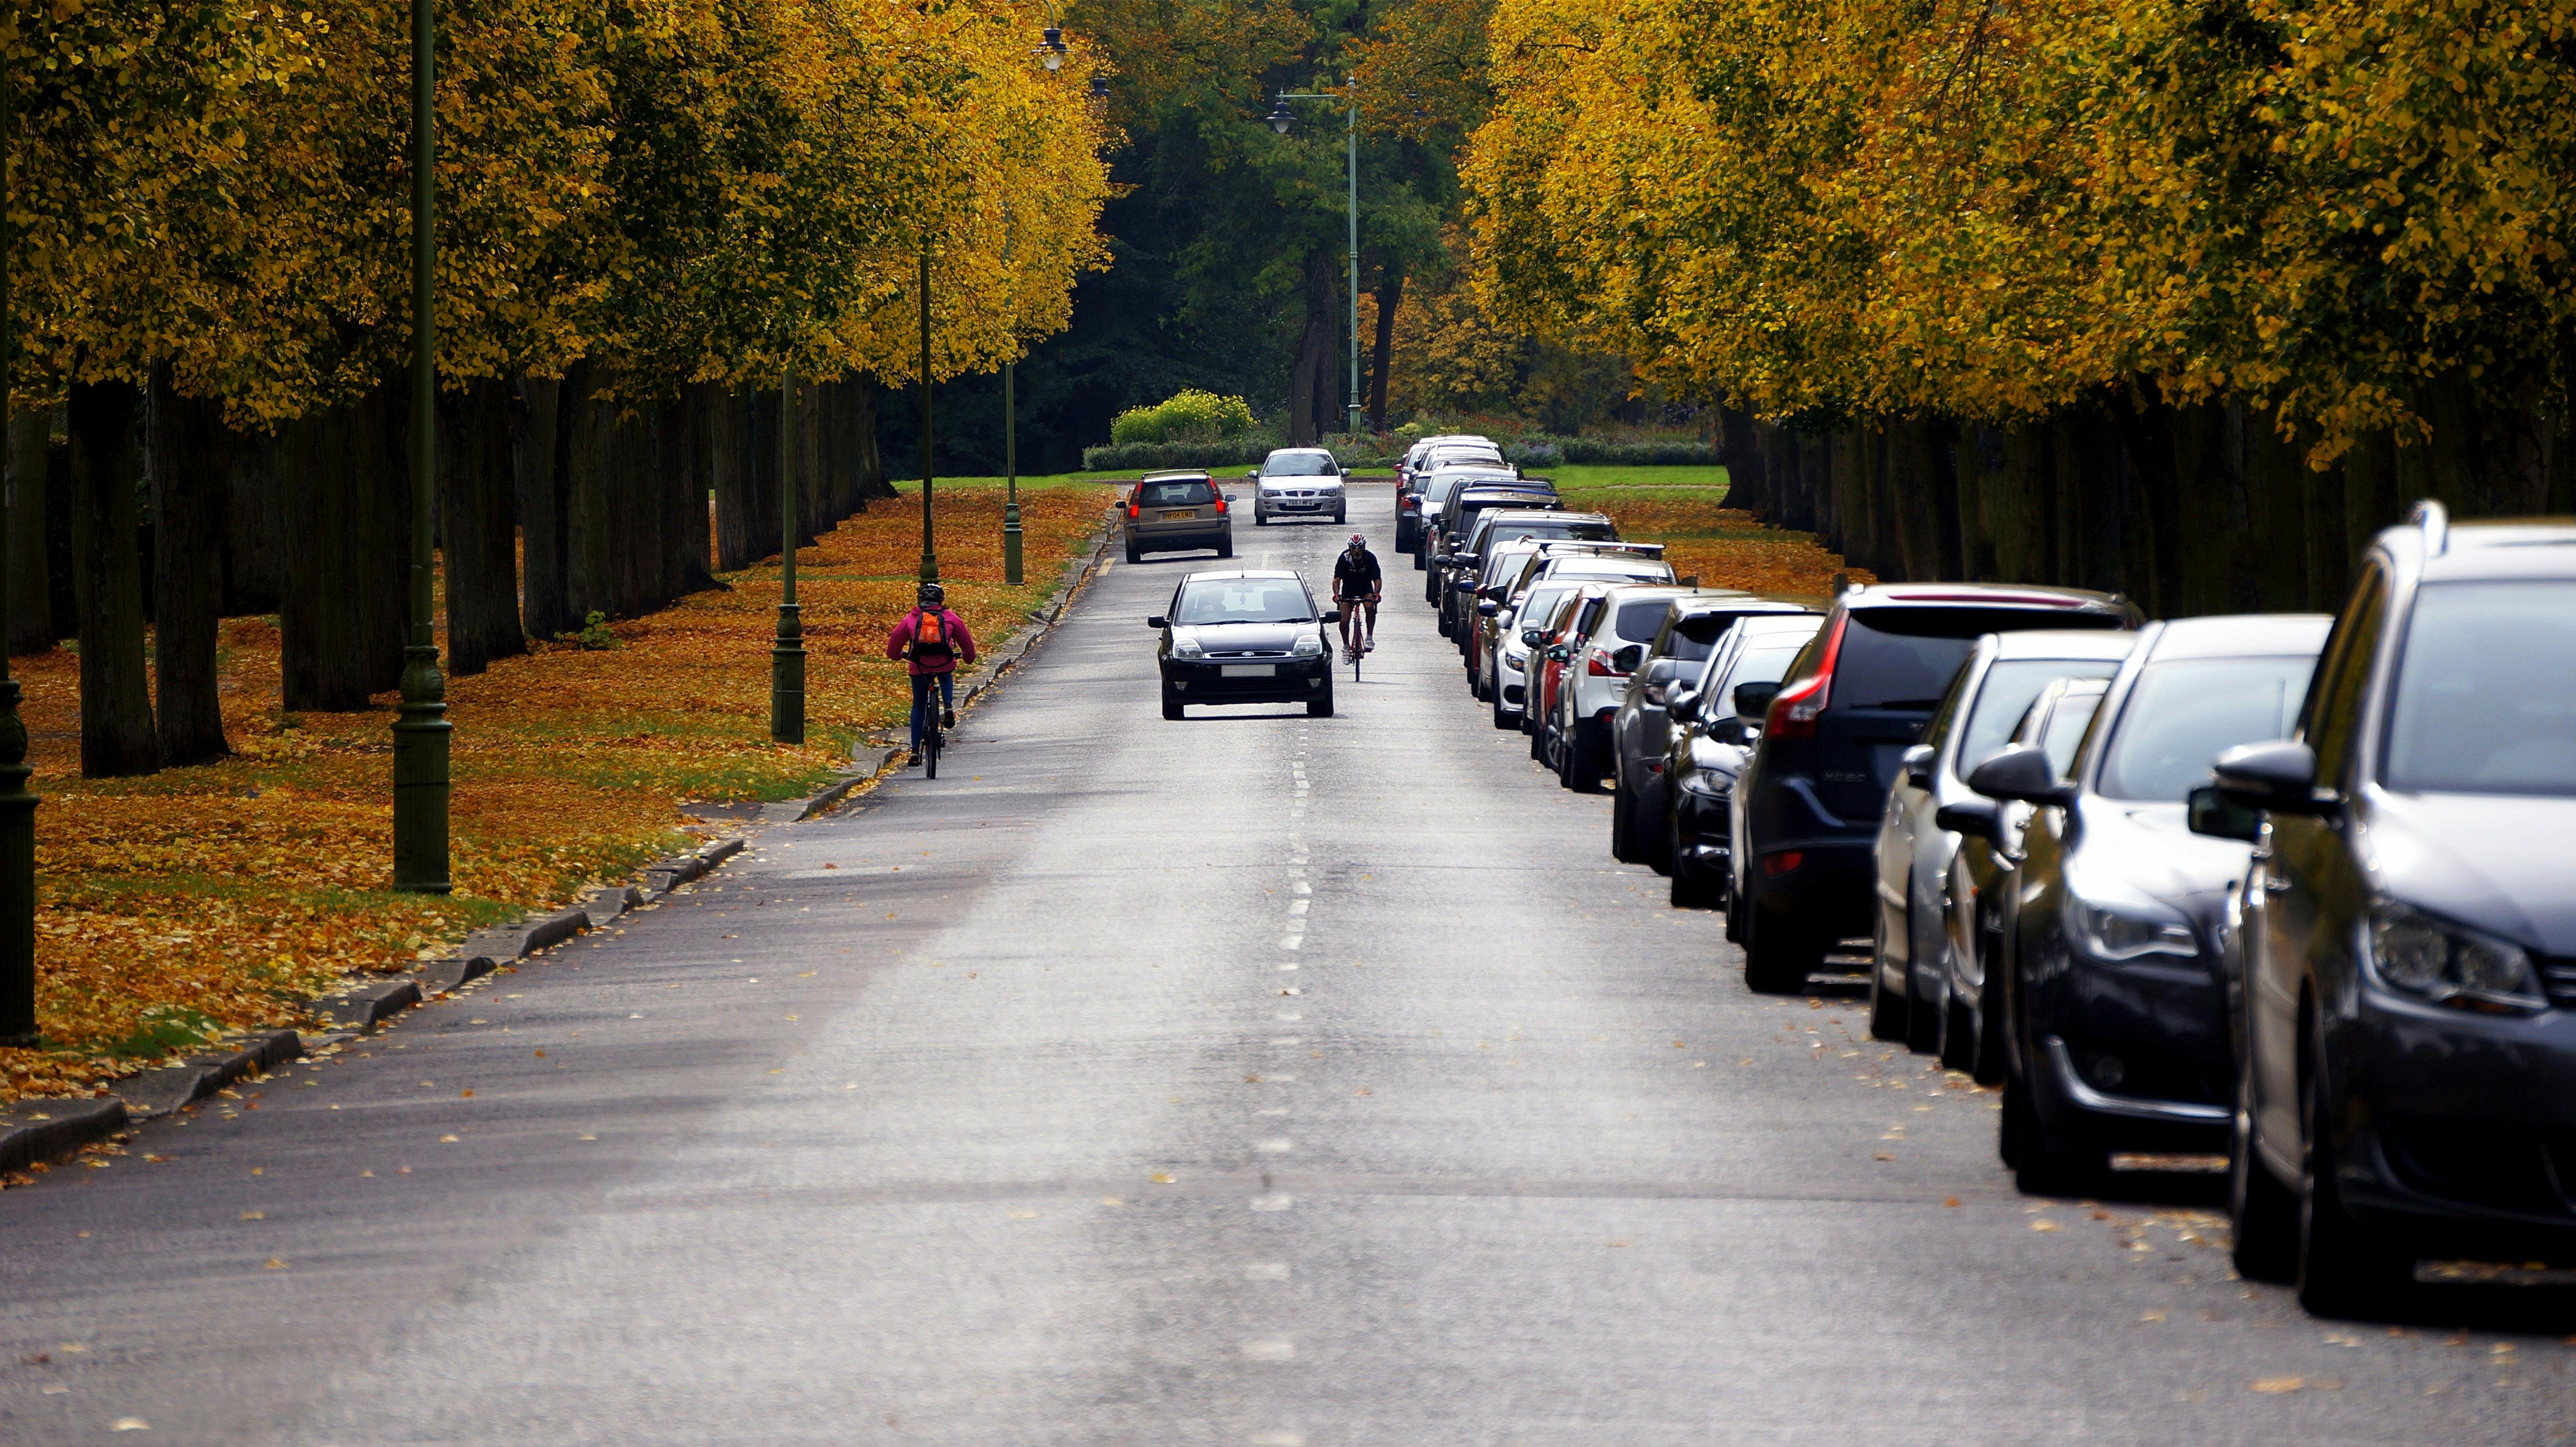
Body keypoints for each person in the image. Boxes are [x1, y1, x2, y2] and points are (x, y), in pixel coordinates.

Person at [885, 582, 977, 764]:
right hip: (944, 662)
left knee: (918, 706)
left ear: (920, 600)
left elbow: (892, 651)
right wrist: (967, 658)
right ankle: (949, 705)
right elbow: (968, 648)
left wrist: (901, 656)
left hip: (919, 666)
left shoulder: (910, 620)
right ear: (941, 600)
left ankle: (914, 751)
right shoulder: (951, 618)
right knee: (946, 672)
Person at [1332, 532, 1381, 660]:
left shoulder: (1370, 558)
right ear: (1350, 548)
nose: (1357, 551)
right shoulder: (1344, 558)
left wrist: (1376, 594)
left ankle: (1370, 637)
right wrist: (1337, 594)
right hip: (1349, 590)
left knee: (1370, 606)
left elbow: (1377, 579)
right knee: (1344, 619)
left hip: (1365, 589)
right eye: (1354, 548)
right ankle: (1346, 646)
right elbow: (1337, 579)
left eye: (1360, 548)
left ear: (1364, 547)